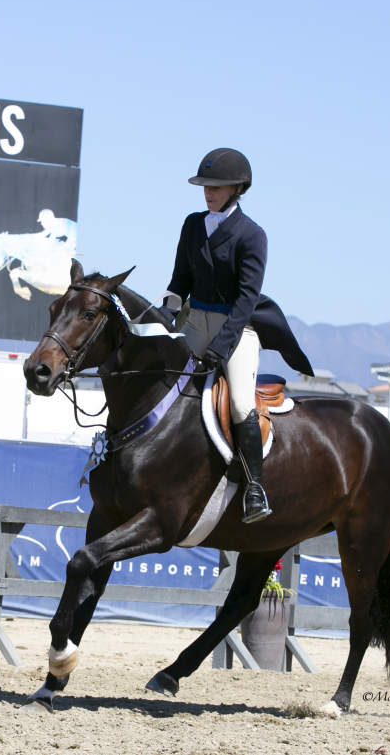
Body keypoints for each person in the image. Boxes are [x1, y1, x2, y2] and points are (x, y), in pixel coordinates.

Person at [151, 148, 313, 523]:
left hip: (238, 328)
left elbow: (246, 301)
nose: (208, 192)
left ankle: (255, 488)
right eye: (204, 185)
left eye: (216, 186)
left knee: (241, 403)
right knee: (165, 384)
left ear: (238, 188)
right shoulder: (192, 225)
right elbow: (181, 281)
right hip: (196, 321)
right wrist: (168, 313)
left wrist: (220, 346)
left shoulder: (252, 235)